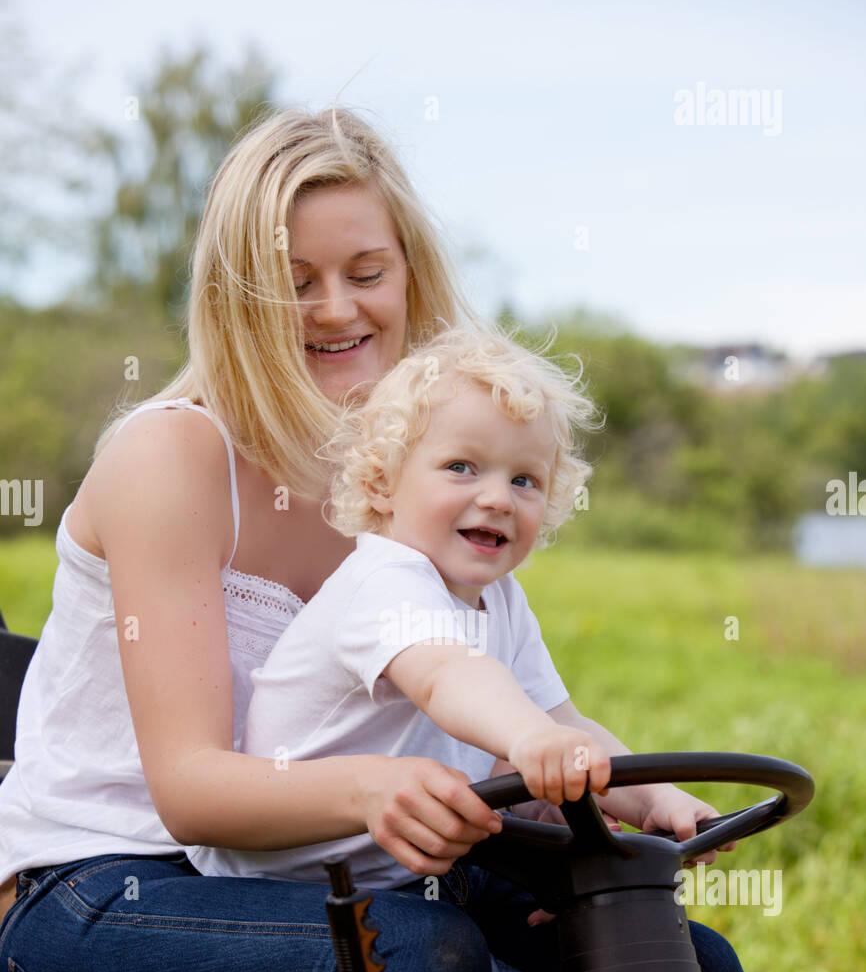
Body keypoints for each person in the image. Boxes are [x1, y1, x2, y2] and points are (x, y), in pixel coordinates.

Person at [0, 105, 757, 972]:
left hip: (322, 878)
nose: (338, 309)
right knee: (415, 958)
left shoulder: (418, 477)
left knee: (680, 959)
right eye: (292, 282)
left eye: (365, 272)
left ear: (411, 273)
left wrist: (627, 793)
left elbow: (517, 704)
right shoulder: (172, 462)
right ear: (234, 296)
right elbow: (192, 792)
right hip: (102, 894)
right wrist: (378, 787)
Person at [187, 324, 741, 924]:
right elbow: (447, 675)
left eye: (523, 479)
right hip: (285, 884)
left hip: (415, 872)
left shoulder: (500, 598)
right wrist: (529, 740)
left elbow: (565, 722)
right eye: (462, 467)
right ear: (382, 484)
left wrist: (653, 798)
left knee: (658, 934)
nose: (499, 497)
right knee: (441, 959)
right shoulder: (383, 582)